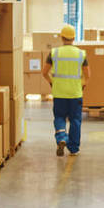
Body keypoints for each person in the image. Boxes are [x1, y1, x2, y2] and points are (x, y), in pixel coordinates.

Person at [42, 24, 91, 157]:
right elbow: (88, 76)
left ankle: (62, 137)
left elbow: (44, 72)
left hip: (59, 93)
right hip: (75, 93)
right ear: (74, 38)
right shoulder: (81, 54)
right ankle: (74, 149)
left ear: (62, 37)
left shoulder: (54, 53)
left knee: (59, 117)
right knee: (75, 120)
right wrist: (82, 86)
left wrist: (53, 82)